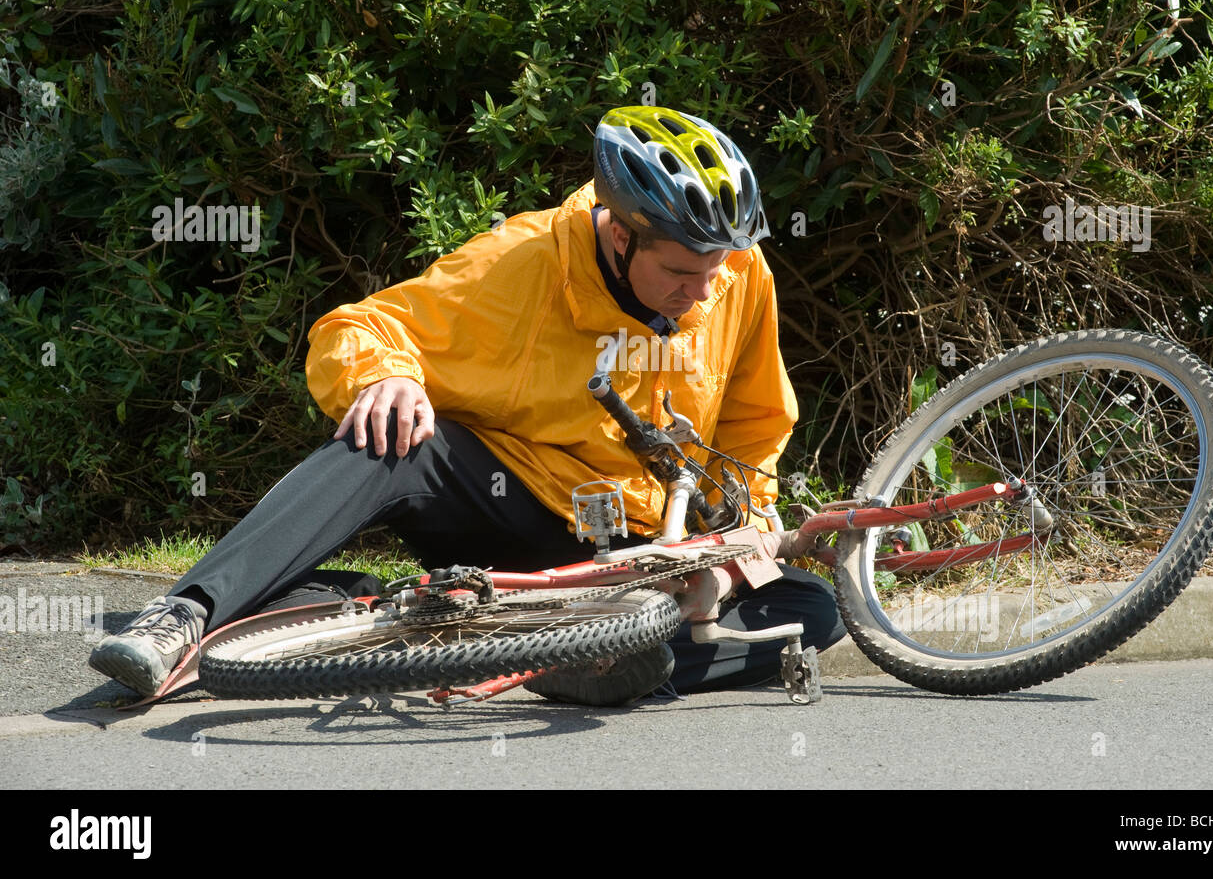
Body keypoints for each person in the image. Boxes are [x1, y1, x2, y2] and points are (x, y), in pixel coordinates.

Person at [89, 105, 845, 705]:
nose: (707, 289)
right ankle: (185, 615)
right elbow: (360, 327)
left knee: (812, 613)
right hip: (511, 510)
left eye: (718, 268)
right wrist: (387, 375)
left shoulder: (737, 272)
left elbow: (753, 426)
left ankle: (502, 650)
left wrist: (732, 552)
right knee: (393, 440)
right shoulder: (516, 264)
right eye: (682, 271)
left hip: (635, 557)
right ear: (621, 236)